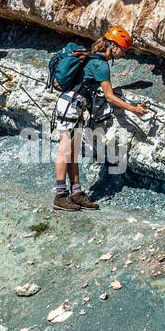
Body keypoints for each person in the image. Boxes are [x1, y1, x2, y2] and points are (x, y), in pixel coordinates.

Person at [51, 25, 148, 211]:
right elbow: (110, 96)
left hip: (70, 105)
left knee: (72, 151)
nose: (124, 54)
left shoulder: (91, 56)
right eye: (123, 49)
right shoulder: (101, 65)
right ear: (113, 46)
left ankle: (76, 192)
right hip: (71, 107)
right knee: (65, 150)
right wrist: (133, 109)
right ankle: (60, 195)